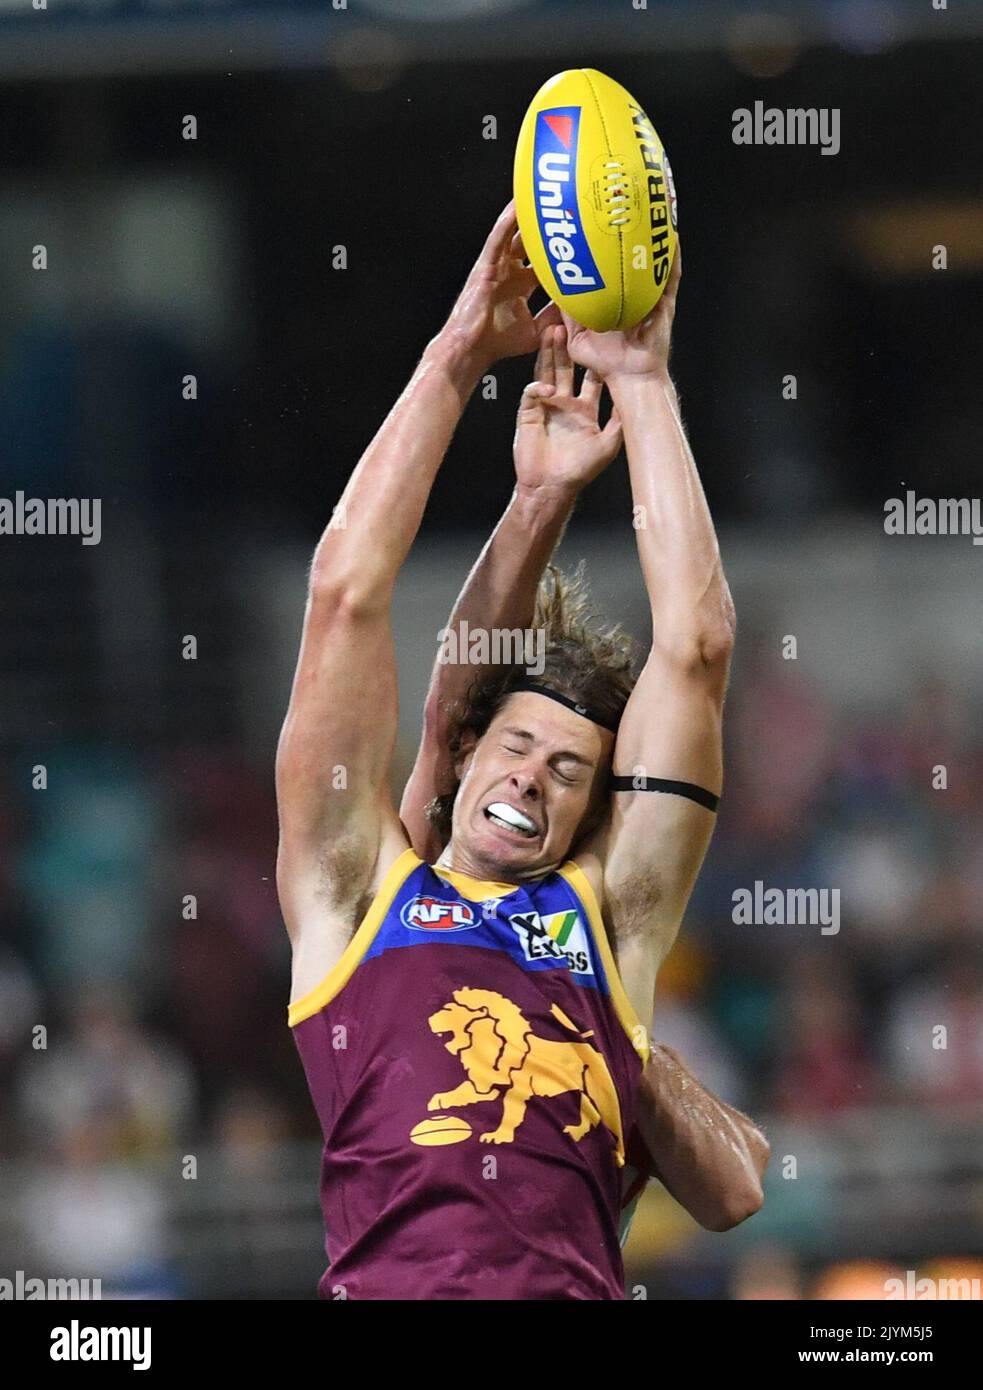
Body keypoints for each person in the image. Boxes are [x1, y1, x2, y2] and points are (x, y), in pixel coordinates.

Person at [276, 202, 766, 1300]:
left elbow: (695, 647)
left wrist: (642, 384)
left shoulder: (608, 920)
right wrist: (454, 356)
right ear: (455, 761)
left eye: (566, 769)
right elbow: (344, 596)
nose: (528, 778)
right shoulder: (357, 896)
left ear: (594, 810)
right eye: (514, 747)